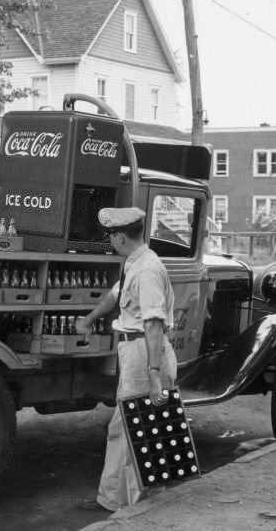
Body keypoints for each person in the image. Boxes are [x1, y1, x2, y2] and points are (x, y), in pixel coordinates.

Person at [75, 206, 178, 512]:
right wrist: (89, 319)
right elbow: (116, 295)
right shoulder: (137, 263)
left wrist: (154, 372)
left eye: (110, 236)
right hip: (136, 351)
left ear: (120, 237)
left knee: (140, 432)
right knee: (128, 430)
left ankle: (138, 510)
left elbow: (154, 323)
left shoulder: (146, 271)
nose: (109, 241)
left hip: (145, 353)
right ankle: (114, 500)